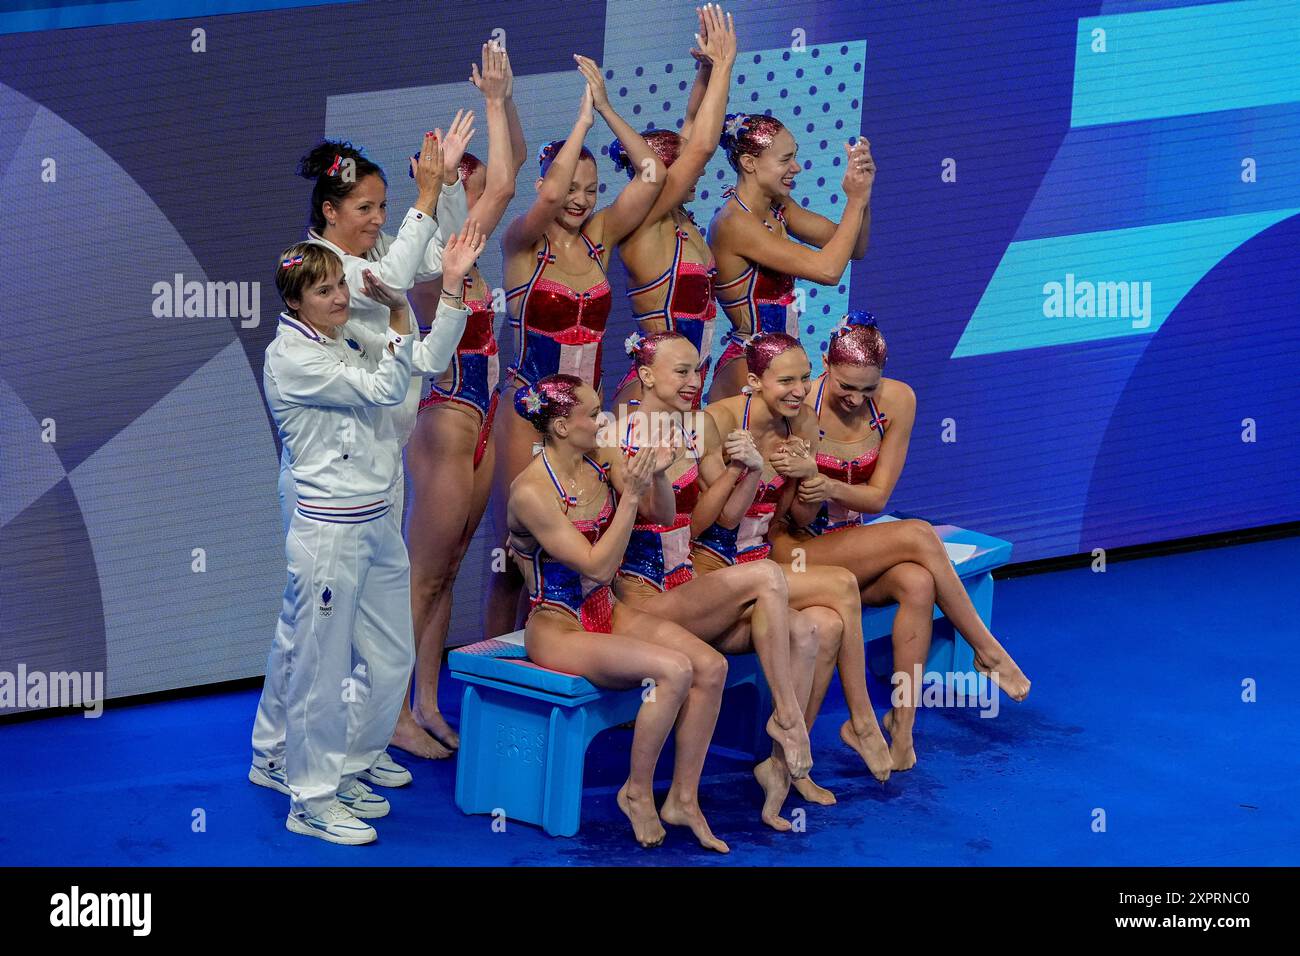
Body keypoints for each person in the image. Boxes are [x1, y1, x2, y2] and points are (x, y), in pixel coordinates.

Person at [250, 129, 480, 785]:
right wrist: (426, 194)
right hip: (327, 485)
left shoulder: (376, 252)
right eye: (366, 208)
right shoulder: (325, 271)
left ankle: (354, 746)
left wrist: (447, 190)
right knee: (311, 633)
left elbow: (434, 262)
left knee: (361, 632)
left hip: (381, 467)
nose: (380, 219)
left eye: (386, 207)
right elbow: (403, 276)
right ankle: (288, 764)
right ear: (329, 210)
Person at [768, 312, 1031, 770]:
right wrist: (815, 490)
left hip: (852, 542)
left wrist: (830, 488)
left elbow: (877, 497)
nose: (855, 399)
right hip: (795, 550)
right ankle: (986, 650)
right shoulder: (798, 403)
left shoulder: (899, 401)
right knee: (917, 533)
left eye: (867, 390)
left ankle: (902, 726)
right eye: (845, 386)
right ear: (825, 363)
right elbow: (780, 509)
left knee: (916, 581)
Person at [484, 54, 667, 639]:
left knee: (606, 523)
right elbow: (547, 194)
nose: (581, 199)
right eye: (571, 189)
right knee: (514, 561)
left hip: (586, 417)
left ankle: (573, 643)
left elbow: (652, 176)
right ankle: (495, 663)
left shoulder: (601, 240)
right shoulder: (520, 246)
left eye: (593, 190)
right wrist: (580, 123)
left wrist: (607, 108)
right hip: (527, 413)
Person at [506, 374, 730, 851]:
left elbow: (664, 517)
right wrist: (629, 497)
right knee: (672, 670)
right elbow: (599, 564)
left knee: (711, 666)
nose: (604, 420)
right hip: (556, 623)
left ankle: (684, 798)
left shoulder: (601, 455)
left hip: (604, 609)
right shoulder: (531, 491)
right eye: (593, 415)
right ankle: (637, 791)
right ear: (563, 427)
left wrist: (659, 475)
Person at [694, 331, 896, 808]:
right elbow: (713, 522)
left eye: (806, 378)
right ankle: (863, 719)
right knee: (842, 583)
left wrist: (806, 480)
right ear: (753, 381)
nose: (799, 390)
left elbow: (793, 518)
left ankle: (782, 766)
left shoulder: (802, 423)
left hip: (761, 560)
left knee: (825, 625)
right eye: (786, 380)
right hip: (712, 567)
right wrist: (748, 468)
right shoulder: (715, 422)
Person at [401, 40, 528, 758]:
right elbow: (500, 187)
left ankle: (426, 701)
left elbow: (507, 180)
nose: (482, 200)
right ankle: (390, 712)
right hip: (446, 424)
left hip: (486, 425)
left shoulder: (473, 258)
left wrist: (499, 100)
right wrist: (487, 107)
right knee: (420, 578)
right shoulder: (426, 261)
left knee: (449, 571)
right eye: (465, 193)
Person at [610, 3, 736, 406]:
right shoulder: (647, 219)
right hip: (652, 393)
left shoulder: (678, 217)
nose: (698, 171)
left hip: (684, 389)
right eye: (683, 167)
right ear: (662, 176)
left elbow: (693, 124)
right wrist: (727, 63)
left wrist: (707, 69)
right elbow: (701, 146)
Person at [706, 112, 874, 402]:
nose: (795, 167)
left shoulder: (778, 206)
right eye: (785, 160)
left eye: (794, 156)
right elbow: (828, 270)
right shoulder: (734, 223)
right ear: (749, 163)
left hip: (785, 365)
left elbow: (854, 248)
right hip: (749, 370)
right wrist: (855, 200)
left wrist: (863, 194)